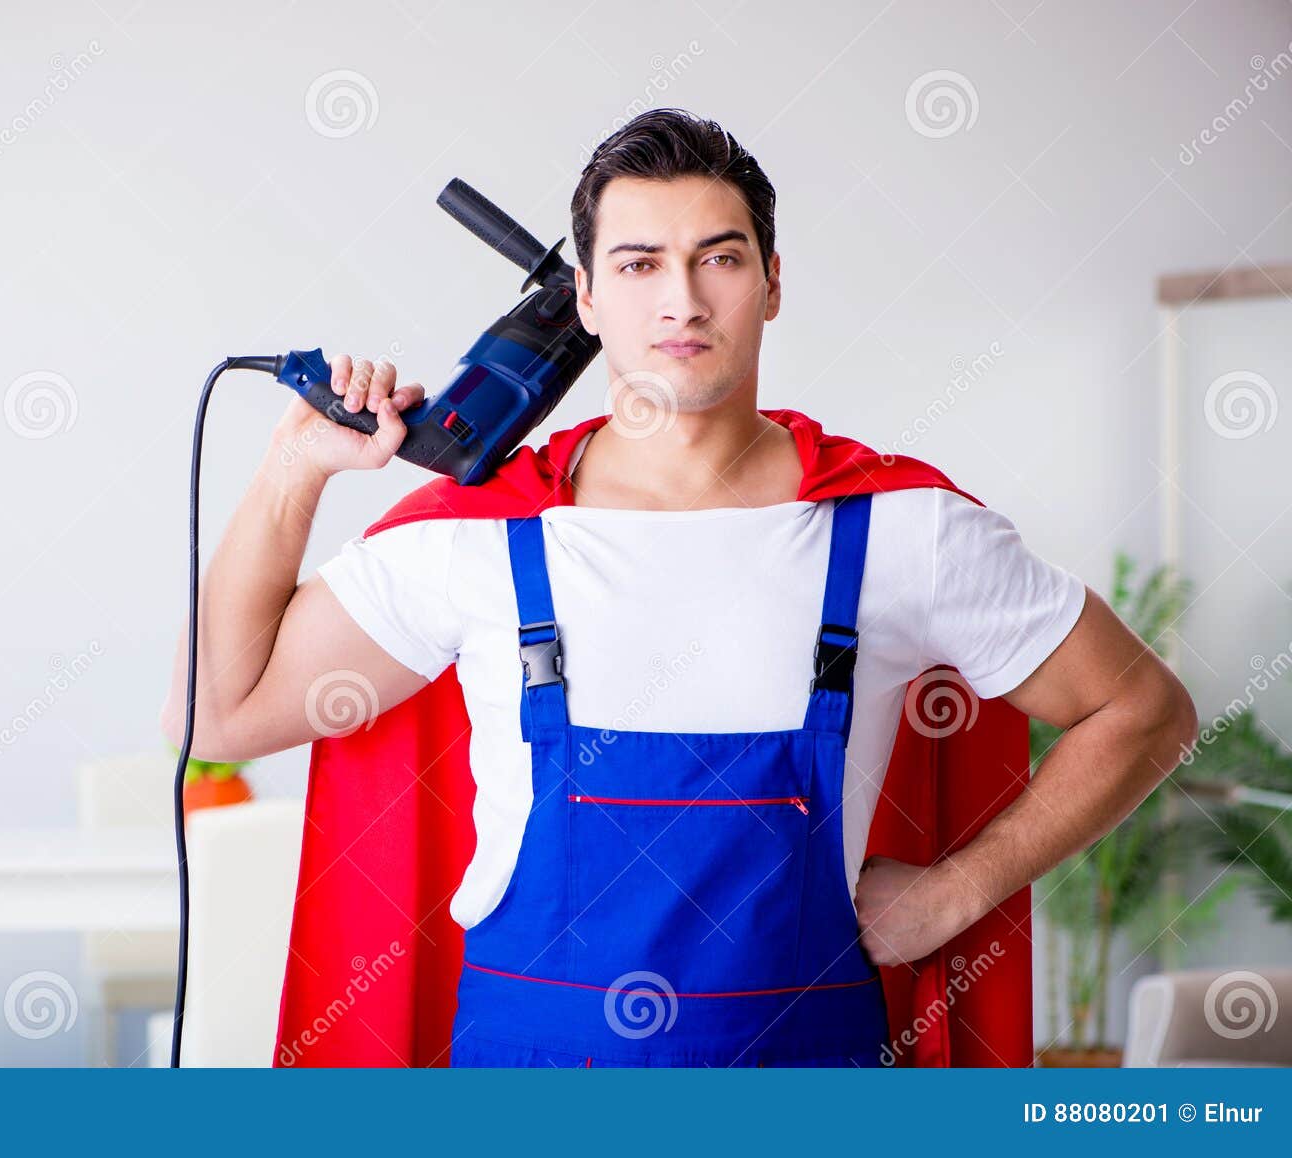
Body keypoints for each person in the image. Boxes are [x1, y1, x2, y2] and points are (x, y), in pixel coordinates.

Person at [160, 108, 1198, 1067]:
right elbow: (216, 712)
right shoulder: (475, 538)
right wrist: (292, 470)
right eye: (641, 263)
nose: (683, 300)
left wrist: (956, 893)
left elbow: (1145, 711)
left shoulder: (900, 532)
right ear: (584, 297)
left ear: (773, 283)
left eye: (720, 258)